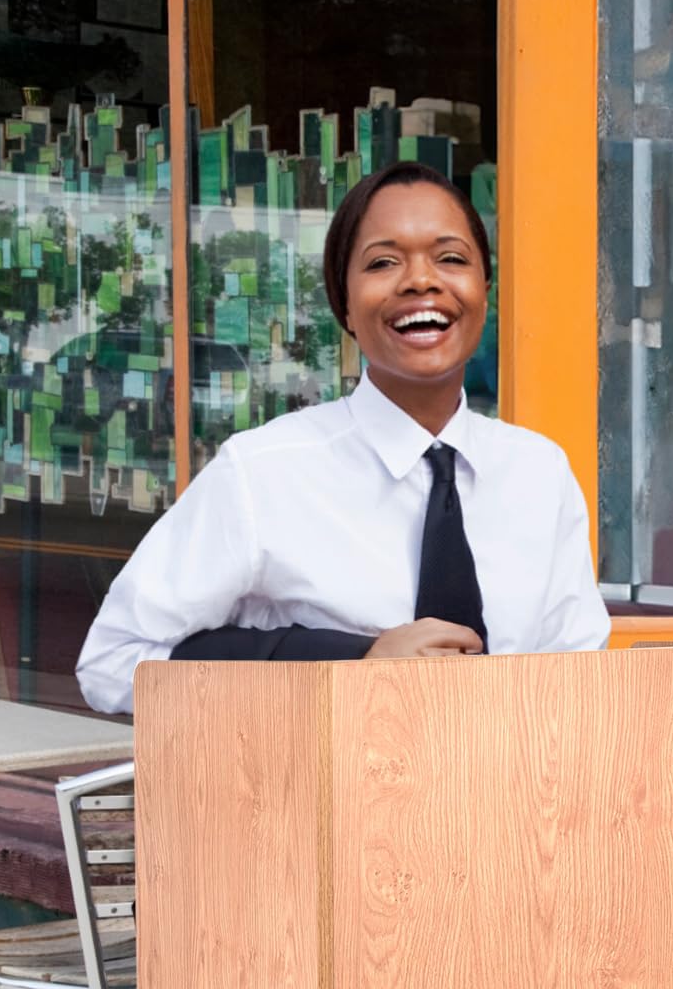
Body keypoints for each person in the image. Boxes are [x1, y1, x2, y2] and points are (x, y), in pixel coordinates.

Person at [76, 162, 608, 714]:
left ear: (484, 290)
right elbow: (113, 662)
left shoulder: (539, 474)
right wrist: (349, 664)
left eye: (451, 258)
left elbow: (579, 686)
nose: (421, 280)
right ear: (345, 304)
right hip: (319, 772)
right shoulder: (262, 473)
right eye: (383, 263)